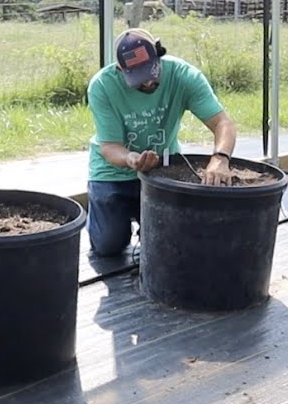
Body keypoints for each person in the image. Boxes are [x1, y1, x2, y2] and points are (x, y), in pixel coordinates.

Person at [86, 27, 238, 258]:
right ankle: (107, 216)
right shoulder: (102, 86)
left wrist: (220, 159)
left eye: (151, 74)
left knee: (167, 241)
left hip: (162, 169)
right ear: (120, 69)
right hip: (112, 173)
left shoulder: (184, 76)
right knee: (109, 245)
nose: (147, 84)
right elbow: (109, 147)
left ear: (159, 56)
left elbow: (222, 123)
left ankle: (144, 221)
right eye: (138, 80)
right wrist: (131, 159)